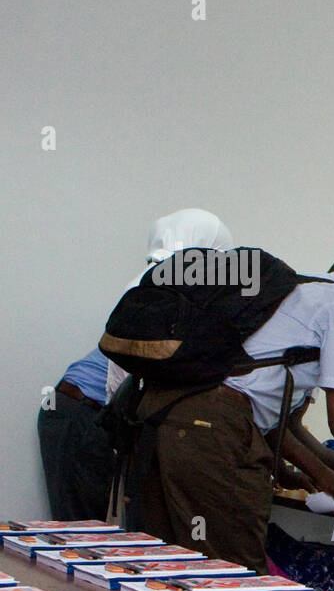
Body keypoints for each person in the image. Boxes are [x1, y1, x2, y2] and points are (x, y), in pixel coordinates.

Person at [132, 240, 334, 573]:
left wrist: (326, 474)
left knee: (175, 573)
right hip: (213, 432)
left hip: (166, 421)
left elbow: (263, 418)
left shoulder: (293, 292)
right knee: (235, 581)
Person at [38, 208, 233, 520]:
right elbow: (126, 377)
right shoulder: (152, 288)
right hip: (85, 412)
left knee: (89, 533)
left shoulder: (162, 286)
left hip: (86, 410)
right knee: (81, 537)